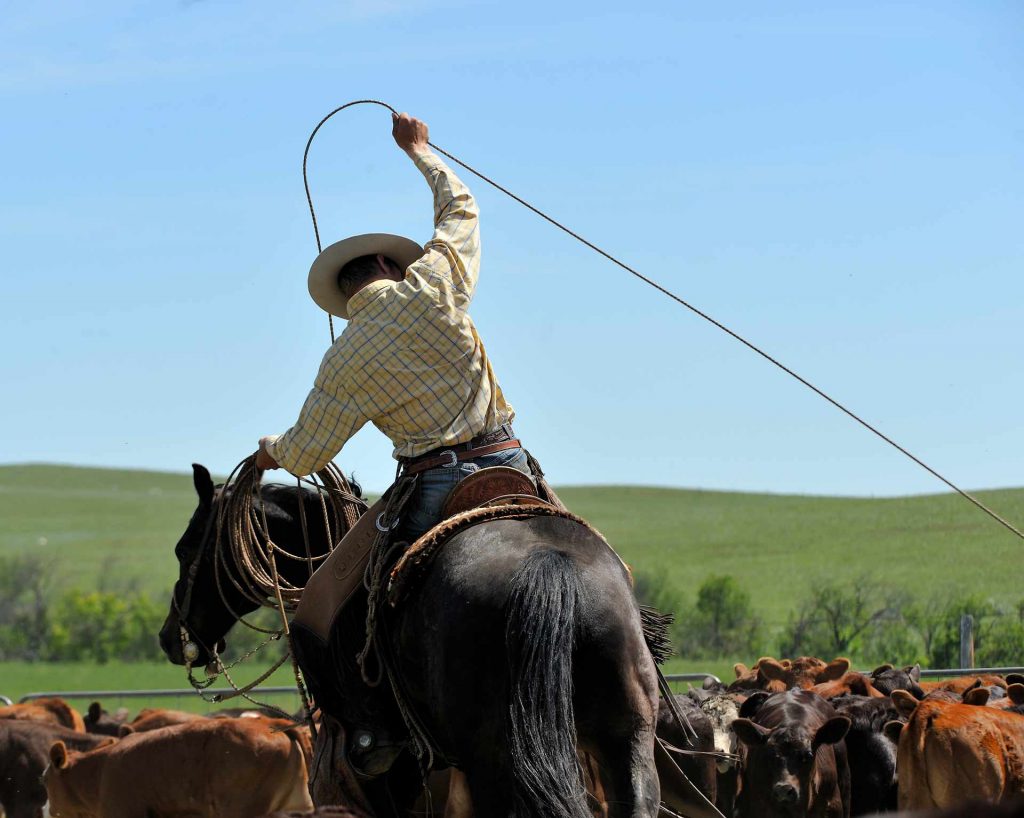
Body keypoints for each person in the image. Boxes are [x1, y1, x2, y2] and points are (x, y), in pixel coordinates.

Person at [256, 112, 532, 542]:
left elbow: (305, 453)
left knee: (364, 592)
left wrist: (270, 451)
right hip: (507, 460)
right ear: (387, 264)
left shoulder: (343, 360)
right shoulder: (432, 282)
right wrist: (418, 149)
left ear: (345, 295)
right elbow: (460, 208)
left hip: (434, 484)